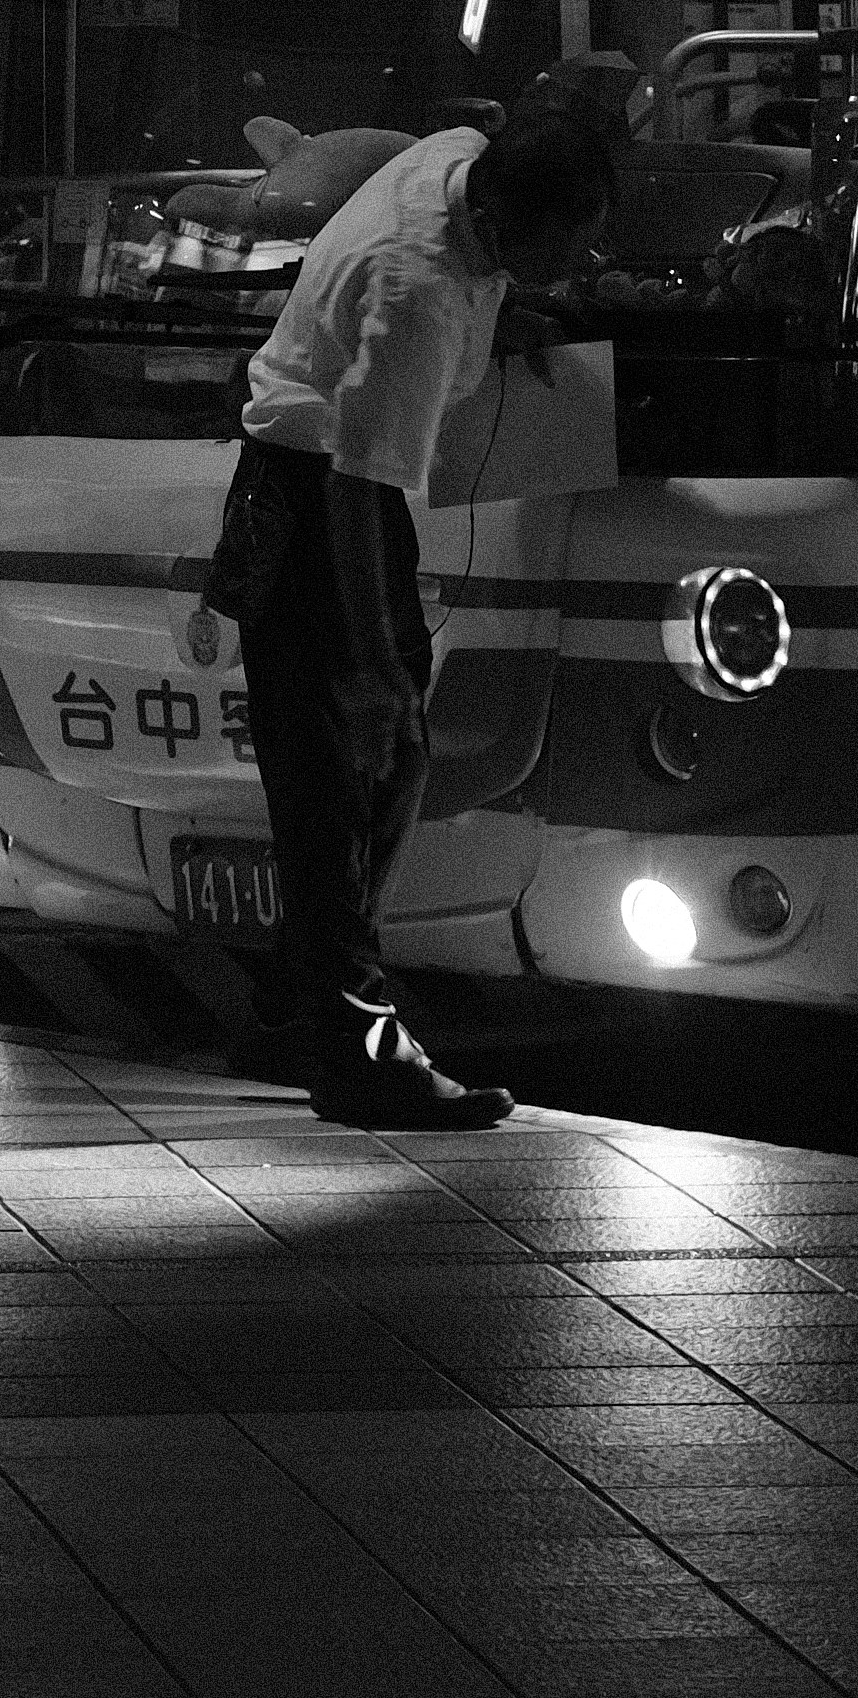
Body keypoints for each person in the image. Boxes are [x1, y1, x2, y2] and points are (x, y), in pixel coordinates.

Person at [201, 95, 620, 1129]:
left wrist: (507, 315)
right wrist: (379, 665)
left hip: (300, 492)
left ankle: (303, 1008)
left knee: (360, 770)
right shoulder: (420, 290)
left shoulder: (460, 161)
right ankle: (356, 1047)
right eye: (571, 245)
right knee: (353, 768)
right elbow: (353, 480)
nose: (580, 260)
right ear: (515, 224)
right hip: (313, 509)